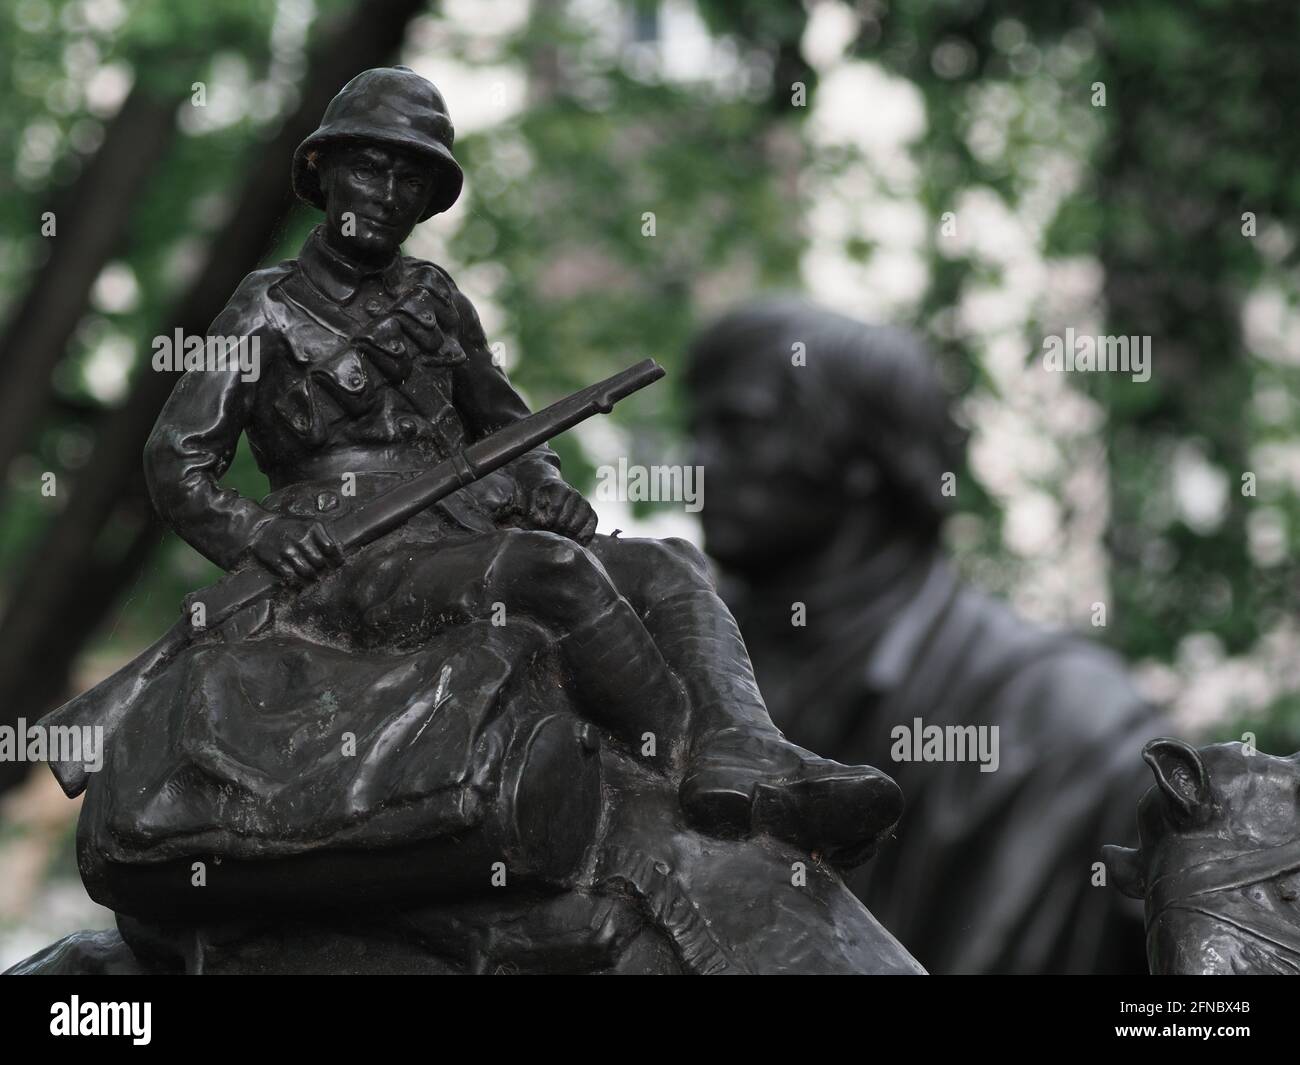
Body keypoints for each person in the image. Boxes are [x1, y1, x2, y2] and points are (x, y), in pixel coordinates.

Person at [124, 68, 902, 896]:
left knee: (672, 559)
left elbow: (504, 421)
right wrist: (261, 535)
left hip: (459, 523)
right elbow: (176, 458)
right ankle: (690, 769)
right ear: (322, 174)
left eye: (410, 176)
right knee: (552, 571)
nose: (387, 192)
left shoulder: (437, 298)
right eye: (368, 168)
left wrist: (540, 481)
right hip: (345, 553)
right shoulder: (264, 308)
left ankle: (745, 743)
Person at [686, 297, 1167, 973]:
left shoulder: (1065, 723)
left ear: (861, 457)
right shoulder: (662, 671)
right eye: (698, 430)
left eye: (741, 429)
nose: (696, 462)